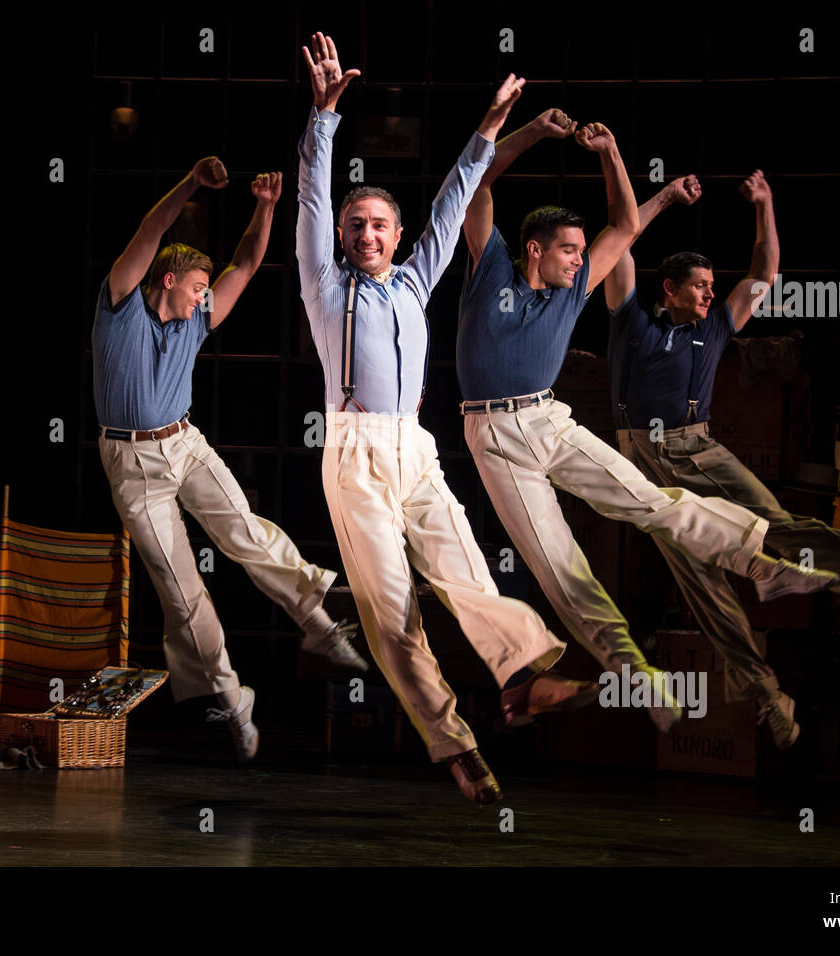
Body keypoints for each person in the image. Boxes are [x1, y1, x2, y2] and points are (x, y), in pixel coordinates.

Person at [297, 32, 604, 807]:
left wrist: (495, 123)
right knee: (394, 610)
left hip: (416, 449)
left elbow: (457, 193)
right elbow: (309, 194)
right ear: (342, 237)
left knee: (466, 570)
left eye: (378, 225)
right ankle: (455, 745)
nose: (367, 233)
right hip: (354, 452)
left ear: (397, 238)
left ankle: (519, 682)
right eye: (355, 224)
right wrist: (324, 116)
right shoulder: (325, 288)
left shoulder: (414, 278)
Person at [456, 113, 836, 735]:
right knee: (562, 570)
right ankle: (637, 677)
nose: (581, 262)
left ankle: (762, 566)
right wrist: (530, 134)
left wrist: (610, 153)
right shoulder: (490, 267)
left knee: (649, 501)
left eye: (584, 252)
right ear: (535, 249)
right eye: (570, 251)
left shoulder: (573, 291)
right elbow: (477, 180)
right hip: (494, 440)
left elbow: (626, 226)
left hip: (549, 420)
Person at [604, 171, 840, 749]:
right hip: (641, 474)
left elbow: (763, 274)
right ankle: (767, 696)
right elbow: (621, 238)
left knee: (781, 530)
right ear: (668, 289)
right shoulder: (630, 321)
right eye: (699, 286)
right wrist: (664, 196)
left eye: (714, 284)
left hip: (694, 451)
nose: (711, 293)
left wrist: (764, 205)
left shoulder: (717, 326)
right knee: (704, 589)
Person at [95, 158, 365, 764]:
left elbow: (245, 263)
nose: (202, 300)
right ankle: (228, 694)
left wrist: (264, 208)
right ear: (167, 280)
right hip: (133, 463)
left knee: (244, 532)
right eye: (195, 288)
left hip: (187, 444)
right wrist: (189, 183)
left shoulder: (196, 320)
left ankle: (318, 623)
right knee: (179, 588)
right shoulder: (120, 307)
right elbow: (148, 232)